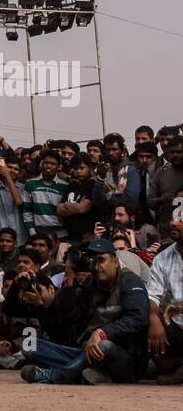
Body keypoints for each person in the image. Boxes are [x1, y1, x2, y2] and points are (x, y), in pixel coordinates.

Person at [20, 238, 149, 385]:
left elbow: (138, 317)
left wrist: (102, 333)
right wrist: (43, 304)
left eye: (101, 260)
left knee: (103, 345)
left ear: (115, 262)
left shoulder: (129, 281)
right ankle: (92, 373)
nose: (97, 266)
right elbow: (63, 328)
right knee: (29, 345)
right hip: (85, 352)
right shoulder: (90, 285)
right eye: (93, 261)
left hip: (123, 357)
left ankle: (56, 375)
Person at [145, 212, 183, 385]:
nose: (173, 223)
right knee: (142, 315)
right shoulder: (162, 258)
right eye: (172, 218)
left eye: (181, 219)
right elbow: (152, 296)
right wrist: (153, 317)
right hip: (176, 330)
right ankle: (176, 369)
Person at [56, 153, 108, 245]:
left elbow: (82, 208)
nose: (78, 171)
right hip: (70, 236)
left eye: (82, 168)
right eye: (76, 168)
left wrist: (67, 205)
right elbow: (59, 210)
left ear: (90, 168)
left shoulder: (93, 185)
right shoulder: (72, 185)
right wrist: (75, 207)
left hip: (88, 237)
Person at [21, 149, 68, 240]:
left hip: (61, 235)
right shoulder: (30, 184)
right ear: (41, 164)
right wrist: (32, 233)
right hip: (39, 235)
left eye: (52, 164)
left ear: (59, 167)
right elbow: (27, 211)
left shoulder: (65, 186)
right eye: (46, 163)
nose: (49, 166)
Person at [150, 135, 183, 238]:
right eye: (172, 152)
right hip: (168, 231)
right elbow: (150, 201)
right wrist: (161, 200)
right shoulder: (161, 173)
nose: (175, 155)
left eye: (179, 152)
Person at [0, 154, 25, 240]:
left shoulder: (23, 187)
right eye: (9, 167)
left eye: (16, 169)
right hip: (1, 235)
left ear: (19, 173)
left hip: (19, 236)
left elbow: (19, 202)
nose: (12, 171)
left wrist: (7, 177)